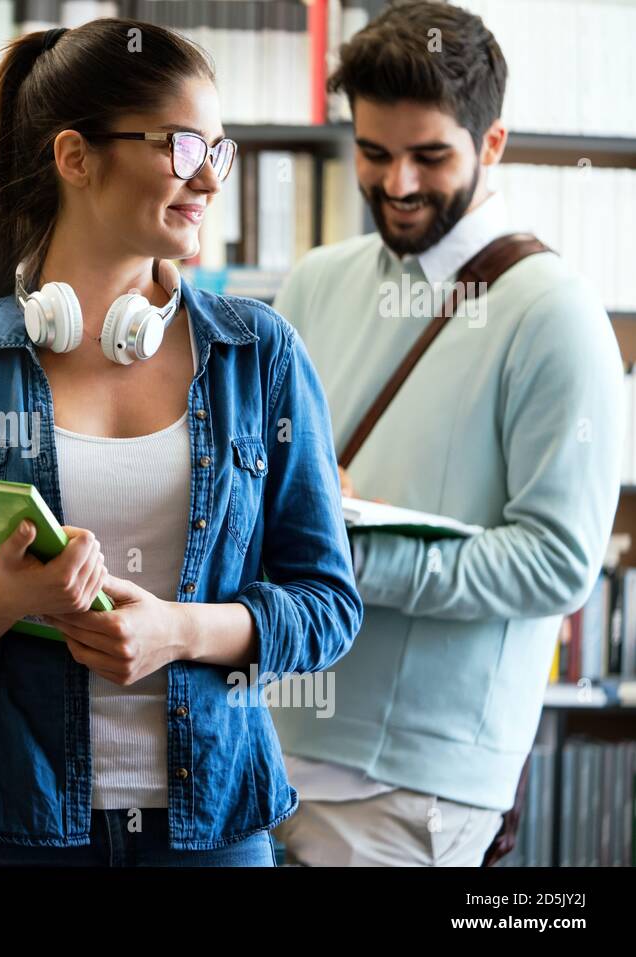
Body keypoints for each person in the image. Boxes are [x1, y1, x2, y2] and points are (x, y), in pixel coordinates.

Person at [0, 19, 362, 866]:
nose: (209, 177)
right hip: (8, 826)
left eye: (220, 149)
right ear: (76, 157)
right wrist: (6, 599)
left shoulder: (259, 353)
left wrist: (181, 631)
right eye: (180, 146)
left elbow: (328, 604)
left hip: (211, 826)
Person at [269, 1, 623, 866]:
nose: (396, 185)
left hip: (417, 788)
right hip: (268, 747)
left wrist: (347, 558)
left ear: (491, 143)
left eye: (430, 156)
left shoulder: (556, 313)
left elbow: (557, 563)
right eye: (374, 152)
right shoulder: (318, 280)